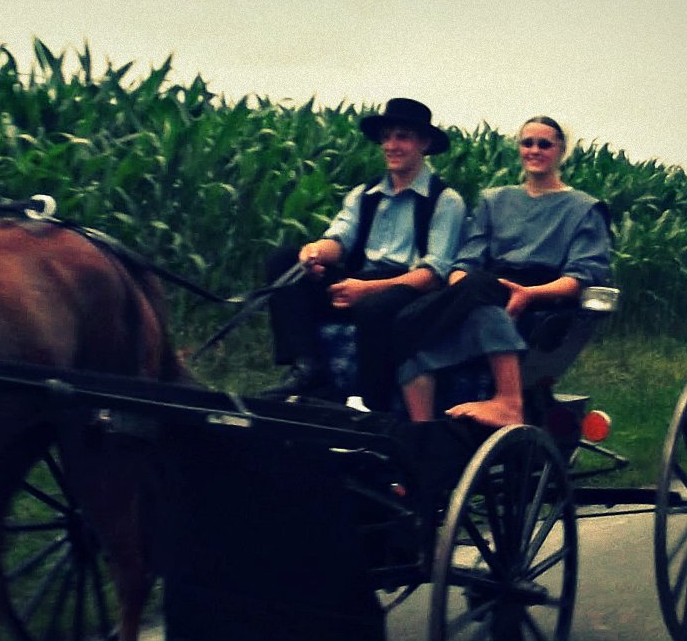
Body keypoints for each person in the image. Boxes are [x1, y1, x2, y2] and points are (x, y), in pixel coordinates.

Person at [396, 115, 613, 427]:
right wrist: (460, 289)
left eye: (544, 144)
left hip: (541, 297)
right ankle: (424, 444)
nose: (534, 150)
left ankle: (509, 402)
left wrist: (529, 294)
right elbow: (466, 262)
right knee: (415, 359)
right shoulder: (495, 200)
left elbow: (581, 276)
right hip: (485, 286)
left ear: (562, 151)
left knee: (485, 302)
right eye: (527, 143)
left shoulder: (583, 208)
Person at [261, 97, 466, 407]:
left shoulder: (446, 201)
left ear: (423, 143)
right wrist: (315, 253)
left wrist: (365, 291)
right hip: (359, 280)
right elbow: (339, 240)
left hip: (409, 291)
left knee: (375, 308)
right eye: (386, 137)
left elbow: (434, 274)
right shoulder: (365, 194)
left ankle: (372, 401)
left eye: (402, 137)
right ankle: (308, 368)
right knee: (283, 261)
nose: (391, 145)